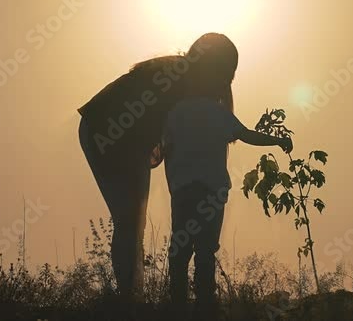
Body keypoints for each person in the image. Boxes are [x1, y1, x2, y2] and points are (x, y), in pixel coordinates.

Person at [77, 33, 238, 299]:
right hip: (107, 132)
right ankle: (130, 299)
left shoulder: (183, 77)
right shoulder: (181, 85)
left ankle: (131, 299)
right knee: (130, 221)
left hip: (113, 132)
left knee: (130, 222)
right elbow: (176, 149)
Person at [163, 63, 291, 316]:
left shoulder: (176, 111)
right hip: (211, 191)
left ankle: (176, 308)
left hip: (183, 192)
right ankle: (204, 309)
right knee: (205, 251)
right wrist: (278, 141)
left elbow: (164, 148)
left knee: (179, 252)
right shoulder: (219, 112)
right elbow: (247, 135)